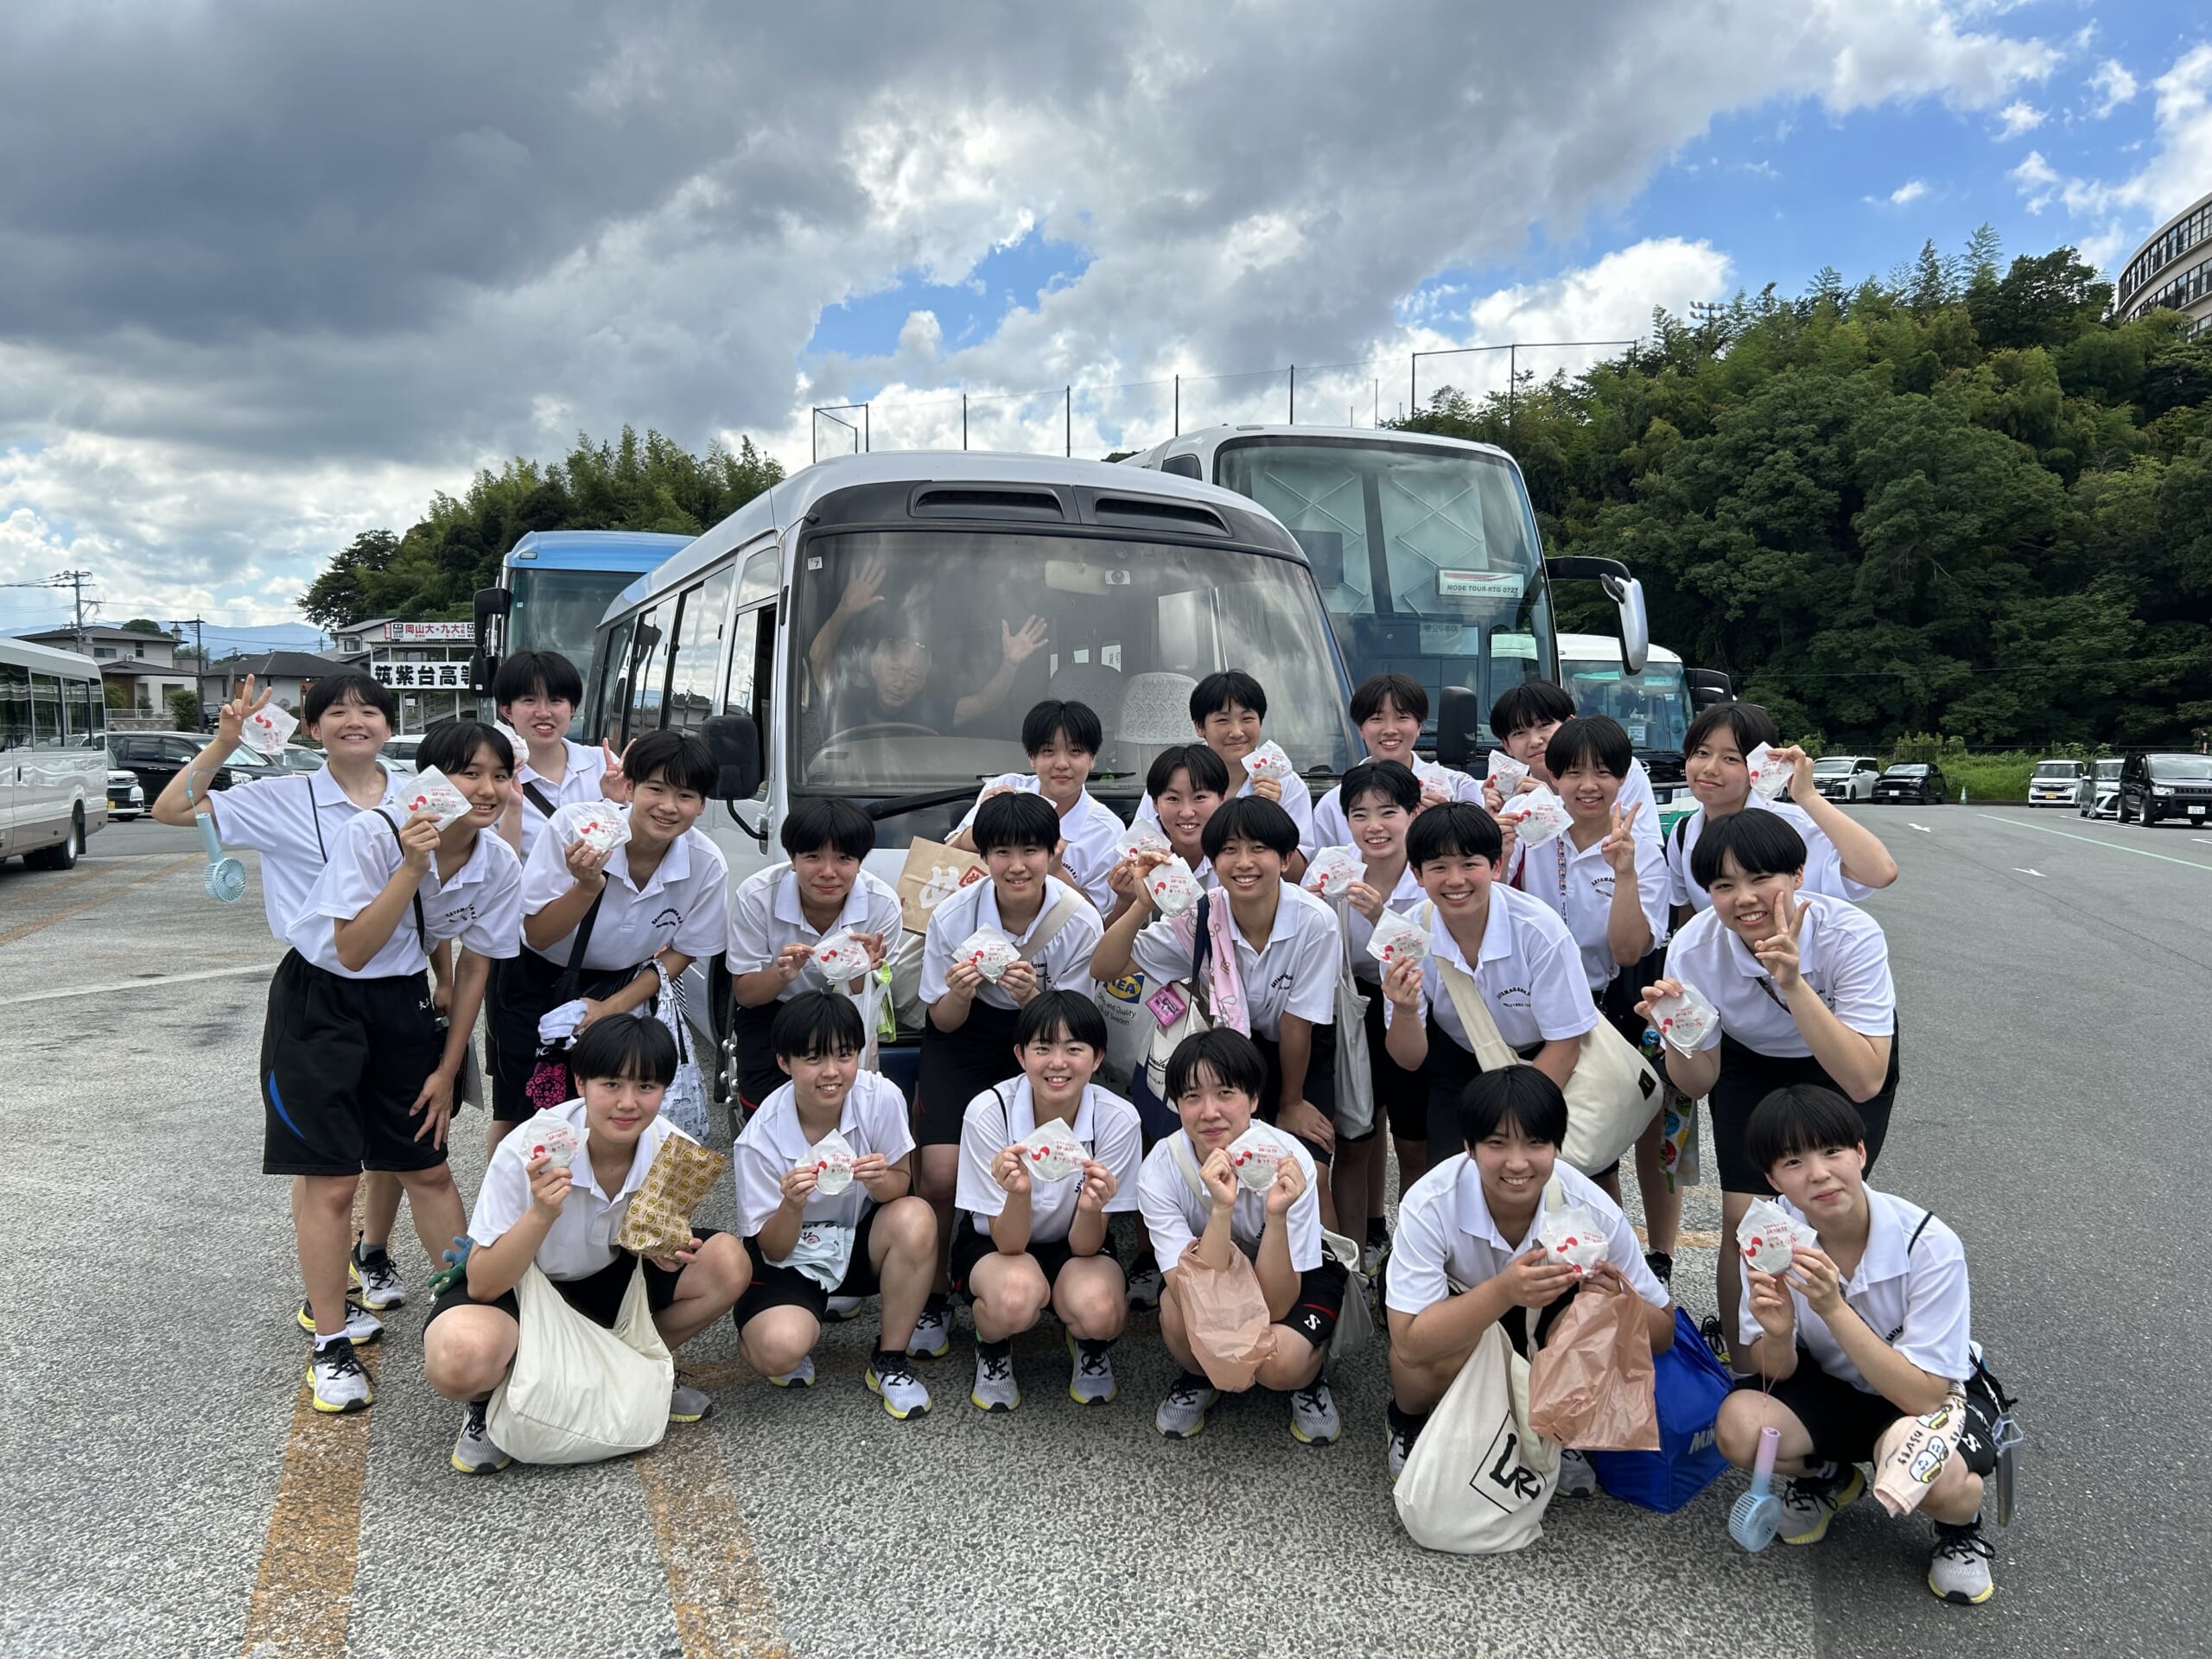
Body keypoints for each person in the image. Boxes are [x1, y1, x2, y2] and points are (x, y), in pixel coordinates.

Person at [149, 671, 422, 1329]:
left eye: (369, 711)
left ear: (389, 725)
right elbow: (172, 808)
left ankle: (376, 1259)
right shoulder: (283, 797)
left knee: (407, 1153)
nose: (354, 720)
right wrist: (224, 742)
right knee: (325, 1170)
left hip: (404, 993)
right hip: (318, 997)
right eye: (335, 712)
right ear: (310, 728)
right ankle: (328, 1319)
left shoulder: (420, 795)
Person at [267, 720, 523, 1414]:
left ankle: (469, 1313)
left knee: (429, 1167)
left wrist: (448, 1066)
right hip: (322, 1003)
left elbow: (477, 968)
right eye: (468, 773)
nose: (486, 788)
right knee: (331, 1184)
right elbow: (351, 950)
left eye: (499, 774)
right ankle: (330, 1342)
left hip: (405, 1004)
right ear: (432, 782)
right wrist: (411, 867)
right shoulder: (377, 834)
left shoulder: (498, 862)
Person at [421, 1017, 751, 1473]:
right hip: (520, 1287)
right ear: (580, 1082)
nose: (628, 1103)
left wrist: (662, 1253)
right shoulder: (529, 1149)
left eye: (647, 1086)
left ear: (665, 1089)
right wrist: (540, 1214)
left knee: (728, 1262)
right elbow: (481, 1283)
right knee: (458, 1357)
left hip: (607, 1282)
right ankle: (487, 1403)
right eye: (610, 1084)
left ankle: (641, 1372)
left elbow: (652, 1246)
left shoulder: (674, 1151)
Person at [1637, 810, 1899, 1368]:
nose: (1745, 898)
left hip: (1841, 1054)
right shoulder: (1694, 947)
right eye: (1724, 886)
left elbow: (1864, 1077)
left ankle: (1846, 1354)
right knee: (1745, 1220)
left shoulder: (1849, 933)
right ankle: (1747, 1364)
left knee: (1827, 1203)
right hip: (1749, 1064)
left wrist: (1793, 983)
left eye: (1761, 879)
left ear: (1798, 875)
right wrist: (1677, 1037)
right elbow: (1700, 1082)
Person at [1717, 1087, 1997, 1605]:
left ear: (1861, 1153)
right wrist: (1777, 1334)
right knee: (1739, 1427)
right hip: (1833, 1384)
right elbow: (1772, 1371)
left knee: (1936, 1481)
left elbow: (1928, 1396)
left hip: (1925, 1398)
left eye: (1832, 1151)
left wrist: (1831, 1308)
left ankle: (1961, 1527)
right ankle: (1830, 1477)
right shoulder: (1768, 1237)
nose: (1819, 1174)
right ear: (1774, 1181)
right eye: (1794, 1162)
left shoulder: (1929, 1244)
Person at [1382, 1068, 1674, 1484]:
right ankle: (1407, 1420)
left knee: (1594, 1323)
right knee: (1422, 1362)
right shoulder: (1430, 1202)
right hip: (1464, 1310)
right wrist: (1504, 1290)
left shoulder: (1590, 1206)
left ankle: (1558, 1430)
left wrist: (1620, 1303)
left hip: (1546, 1319)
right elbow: (1409, 1341)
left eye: (1536, 1142)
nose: (1517, 1163)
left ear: (1557, 1145)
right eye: (1497, 1143)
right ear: (1469, 1146)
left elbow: (1664, 1331)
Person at [913, 791, 1105, 1360]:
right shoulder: (953, 914)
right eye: (1002, 852)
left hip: (1048, 1040)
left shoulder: (1078, 920)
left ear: (1053, 852)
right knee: (942, 1174)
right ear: (985, 856)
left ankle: (1057, 1269)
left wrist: (1035, 999)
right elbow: (939, 1019)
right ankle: (933, 1292)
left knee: (1055, 1159)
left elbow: (1077, 1031)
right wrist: (959, 992)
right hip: (965, 1036)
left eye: (1031, 850)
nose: (1017, 865)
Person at [1092, 797, 1343, 1224]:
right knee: (1212, 1170)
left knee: (1309, 1174)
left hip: (1295, 1058)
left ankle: (1329, 1278)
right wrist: (1141, 904)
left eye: (1259, 848)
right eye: (1229, 849)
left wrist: (1291, 1103)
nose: (1243, 862)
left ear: (1285, 860)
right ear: (1213, 860)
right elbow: (1105, 967)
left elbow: (1296, 1023)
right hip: (1223, 1058)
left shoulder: (1315, 921)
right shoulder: (1200, 914)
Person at [495, 729, 730, 1151]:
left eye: (686, 796)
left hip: (624, 986)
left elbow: (685, 950)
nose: (668, 807)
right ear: (629, 788)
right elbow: (537, 933)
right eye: (655, 789)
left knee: (612, 1115)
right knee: (528, 1115)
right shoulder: (576, 827)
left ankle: (603, 1209)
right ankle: (517, 1209)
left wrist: (612, 1007)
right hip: (537, 980)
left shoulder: (705, 863)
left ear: (702, 804)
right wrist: (586, 887)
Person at [730, 994, 940, 1419]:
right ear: (784, 1063)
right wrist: (790, 1205)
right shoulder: (759, 1137)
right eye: (812, 1059)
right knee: (779, 1350)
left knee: (917, 1217)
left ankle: (889, 1358)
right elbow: (771, 1248)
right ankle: (778, 1322)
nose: (831, 1073)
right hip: (789, 1254)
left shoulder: (880, 1097)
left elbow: (900, 1186)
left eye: (844, 1055)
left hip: (857, 1238)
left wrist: (882, 1183)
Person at [1523, 715, 1678, 1281]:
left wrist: (1626, 872)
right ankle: (1580, 1253)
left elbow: (1631, 947)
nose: (1588, 784)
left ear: (1623, 777)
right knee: (1577, 1132)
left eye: (1604, 772)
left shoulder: (1639, 844)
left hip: (1622, 995)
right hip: (1547, 997)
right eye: (1573, 771)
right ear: (1553, 776)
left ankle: (1653, 1256)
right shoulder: (1532, 834)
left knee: (1641, 1118)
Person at [1135, 1029, 1344, 1444]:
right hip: (1210, 1282)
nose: (1209, 1112)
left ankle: (1308, 1379)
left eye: (1226, 1093)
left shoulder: (1289, 1159)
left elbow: (1277, 1300)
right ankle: (1201, 1376)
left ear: (1253, 1099)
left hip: (1289, 1275)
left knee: (1278, 1364)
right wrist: (1221, 1209)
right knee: (1176, 1317)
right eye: (1192, 1096)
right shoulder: (1161, 1169)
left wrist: (1277, 1214)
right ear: (1176, 1105)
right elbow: (1189, 1289)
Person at [951, 993, 1143, 1412]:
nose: (1058, 1063)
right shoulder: (989, 1113)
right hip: (1001, 1244)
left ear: (1097, 1059)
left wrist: (1092, 1207)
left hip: (1075, 1243)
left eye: (1074, 1049)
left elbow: (1086, 1246)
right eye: (1043, 1048)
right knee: (1014, 1298)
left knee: (1103, 1313)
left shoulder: (1119, 1119)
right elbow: (1008, 1244)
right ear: (1021, 1056)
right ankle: (993, 1343)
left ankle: (1084, 1337)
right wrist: (1019, 1194)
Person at [1381, 804, 1597, 1157]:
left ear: (1496, 866)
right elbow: (1409, 1059)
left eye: (1469, 864)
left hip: (1543, 1059)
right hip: (1462, 1063)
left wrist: (1509, 1125)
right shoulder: (1407, 939)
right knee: (1454, 1177)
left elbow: (1565, 1042)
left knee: (1574, 1173)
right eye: (1438, 868)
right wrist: (1404, 1010)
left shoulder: (1538, 929)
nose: (1455, 880)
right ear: (1417, 874)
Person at [726, 797, 902, 1116]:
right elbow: (746, 994)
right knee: (769, 1111)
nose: (828, 872)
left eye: (844, 858)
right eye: (813, 857)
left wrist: (862, 970)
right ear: (792, 860)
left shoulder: (882, 904)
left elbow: (871, 1003)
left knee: (848, 1107)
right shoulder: (757, 896)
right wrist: (781, 974)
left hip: (848, 1015)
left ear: (860, 862)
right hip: (775, 1011)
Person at [1325, 758, 1428, 1268]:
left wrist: (1379, 917)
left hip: (1417, 1010)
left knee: (1413, 1142)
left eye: (1388, 812)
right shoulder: (1336, 867)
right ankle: (1353, 1258)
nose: (1374, 827)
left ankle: (1412, 1250)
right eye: (1359, 815)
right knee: (1356, 1134)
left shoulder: (1430, 870)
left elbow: (1429, 953)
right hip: (1353, 1012)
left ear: (1412, 812)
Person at [1664, 702, 1897, 918]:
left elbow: (1880, 872)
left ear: (1759, 766)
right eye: (1701, 753)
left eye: (1730, 759)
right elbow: (1689, 921)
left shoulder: (1792, 827)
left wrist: (1808, 796)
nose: (1709, 768)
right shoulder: (1683, 833)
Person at [805, 550, 1049, 735]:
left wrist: (1010, 664)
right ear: (874, 669)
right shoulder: (846, 699)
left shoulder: (930, 712)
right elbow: (818, 657)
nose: (900, 683)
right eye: (893, 670)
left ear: (922, 683)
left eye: (912, 676)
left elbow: (984, 703)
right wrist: (845, 609)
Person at [948, 698, 1122, 916]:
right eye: (1048, 751)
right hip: (981, 935)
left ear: (1093, 759)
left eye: (1075, 752)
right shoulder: (1004, 787)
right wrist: (985, 825)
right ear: (1032, 757)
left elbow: (1096, 918)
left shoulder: (1108, 831)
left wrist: (1056, 870)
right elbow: (945, 857)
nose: (1061, 763)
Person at [1132, 671, 1315, 874]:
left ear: (1261, 722)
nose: (1237, 732)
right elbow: (1139, 856)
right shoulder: (1172, 778)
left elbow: (1298, 874)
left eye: (1247, 718)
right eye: (1222, 721)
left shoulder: (1286, 783)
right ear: (1199, 727)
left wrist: (1270, 816)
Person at [1482, 681, 1662, 872]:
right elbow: (1496, 876)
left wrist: (1551, 805)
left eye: (1544, 725)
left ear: (1569, 724)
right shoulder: (1512, 796)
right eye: (1519, 733)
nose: (1535, 741)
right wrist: (1488, 824)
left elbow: (1647, 849)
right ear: (1506, 745)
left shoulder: (1618, 766)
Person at [1311, 673, 1481, 847]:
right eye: (1377, 719)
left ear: (1419, 726)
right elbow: (1322, 866)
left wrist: (1449, 822)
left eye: (1402, 718)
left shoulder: (1458, 788)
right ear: (1361, 729)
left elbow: (1480, 857)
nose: (1390, 729)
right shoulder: (1333, 804)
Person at [489, 649, 609, 861]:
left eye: (555, 700)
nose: (544, 712)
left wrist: (615, 803)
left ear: (572, 708)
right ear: (507, 711)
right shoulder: (491, 778)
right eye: (529, 700)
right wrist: (512, 810)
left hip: (597, 894)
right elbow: (499, 872)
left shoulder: (602, 764)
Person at [1103, 744, 1227, 924]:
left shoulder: (1238, 847)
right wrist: (1125, 900)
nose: (1186, 812)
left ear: (1221, 798)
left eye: (1199, 797)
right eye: (1173, 799)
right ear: (1155, 804)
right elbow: (1108, 943)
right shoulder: (1135, 853)